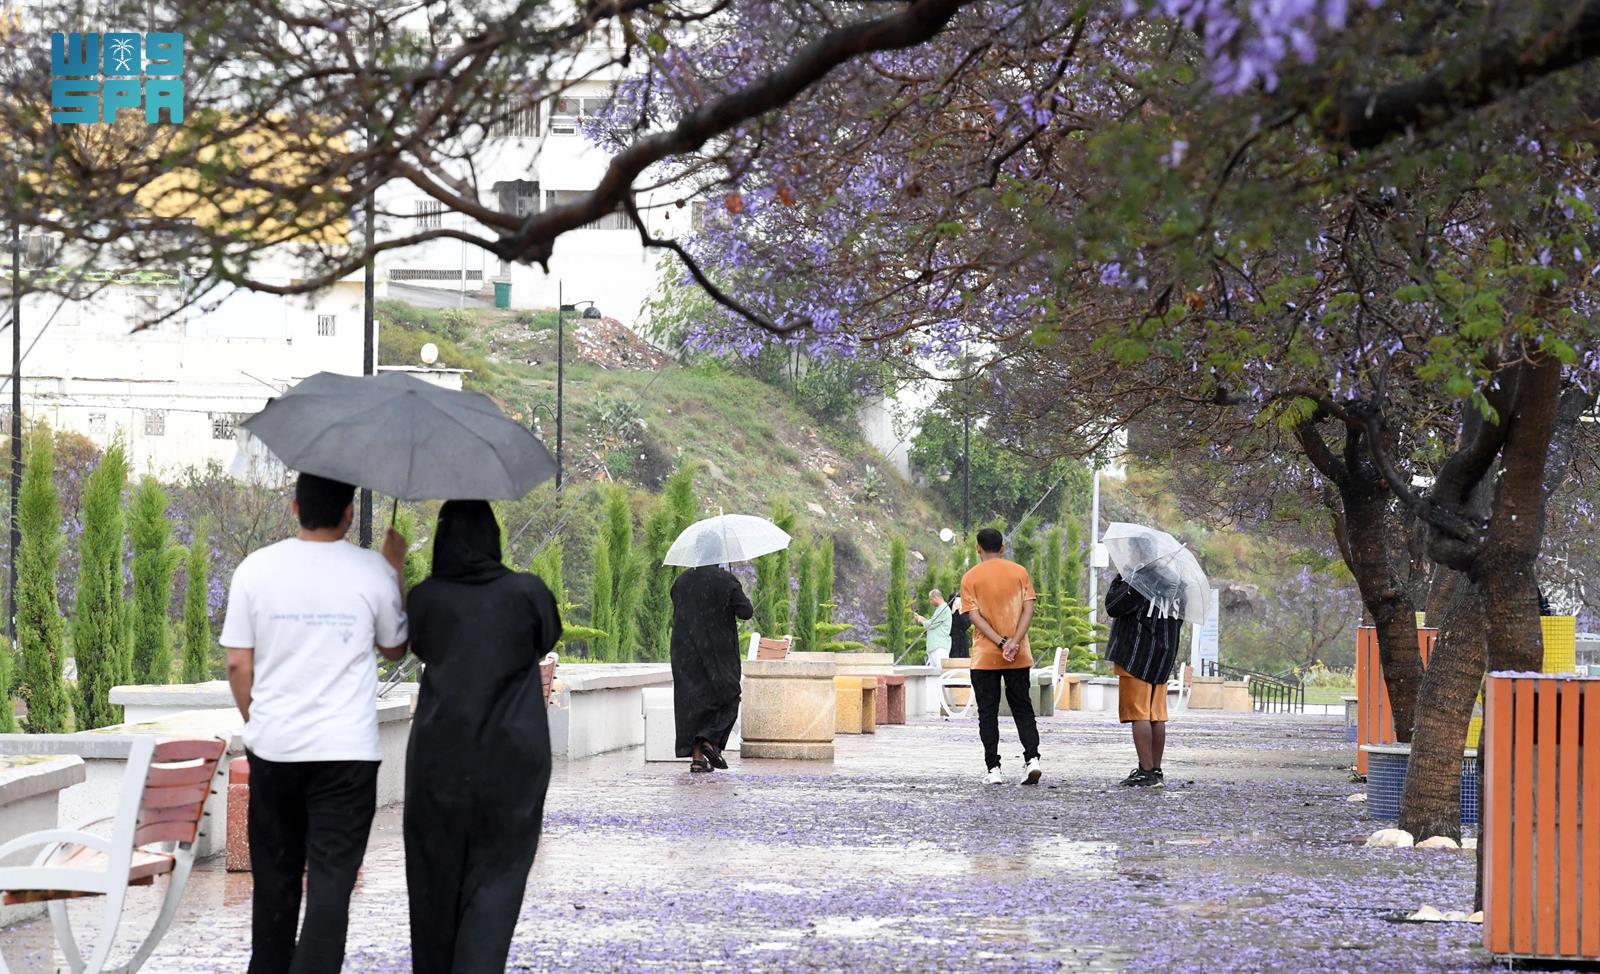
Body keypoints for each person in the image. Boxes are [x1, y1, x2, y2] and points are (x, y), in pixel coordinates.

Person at [222, 473, 409, 974]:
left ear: (293, 506)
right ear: (350, 511)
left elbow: (239, 663)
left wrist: (259, 717)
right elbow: (395, 648)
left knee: (275, 884)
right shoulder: (372, 571)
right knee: (331, 888)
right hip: (347, 757)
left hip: (275, 751)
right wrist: (395, 570)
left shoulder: (255, 570)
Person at [404, 501, 562, 974]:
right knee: (499, 877)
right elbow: (547, 637)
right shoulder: (528, 593)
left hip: (439, 763)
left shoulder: (426, 598)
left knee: (433, 881)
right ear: (492, 538)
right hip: (512, 763)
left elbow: (415, 643)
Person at [959, 528, 1042, 785]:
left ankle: (993, 769)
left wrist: (1000, 642)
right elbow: (1029, 609)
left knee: (988, 712)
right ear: (1003, 547)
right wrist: (1014, 642)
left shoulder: (970, 578)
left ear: (978, 548)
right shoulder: (1020, 573)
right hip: (1018, 656)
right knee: (1022, 708)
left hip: (985, 657)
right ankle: (1032, 760)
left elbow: (974, 616)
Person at [670, 549, 755, 772]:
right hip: (718, 654)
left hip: (685, 654)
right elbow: (746, 612)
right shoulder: (725, 581)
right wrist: (733, 587)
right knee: (729, 698)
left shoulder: (682, 581)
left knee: (694, 705)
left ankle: (698, 759)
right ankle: (710, 741)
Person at [1104, 571, 1183, 788]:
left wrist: (1121, 578)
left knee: (1139, 713)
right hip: (1163, 654)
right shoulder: (1178, 582)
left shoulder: (1140, 577)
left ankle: (1146, 771)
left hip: (1135, 653)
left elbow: (1113, 605)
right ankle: (1155, 770)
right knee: (1156, 715)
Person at [914, 588, 953, 665]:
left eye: (931, 599)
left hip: (939, 646)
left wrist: (920, 620)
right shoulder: (940, 609)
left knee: (941, 672)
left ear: (936, 597)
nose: (930, 602)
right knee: (932, 674)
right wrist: (922, 618)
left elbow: (931, 624)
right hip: (934, 646)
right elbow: (934, 622)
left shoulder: (944, 609)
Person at [948, 594, 972, 659]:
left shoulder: (965, 612)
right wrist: (953, 612)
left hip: (962, 642)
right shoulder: (948, 612)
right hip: (951, 641)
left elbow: (966, 625)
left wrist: (960, 611)